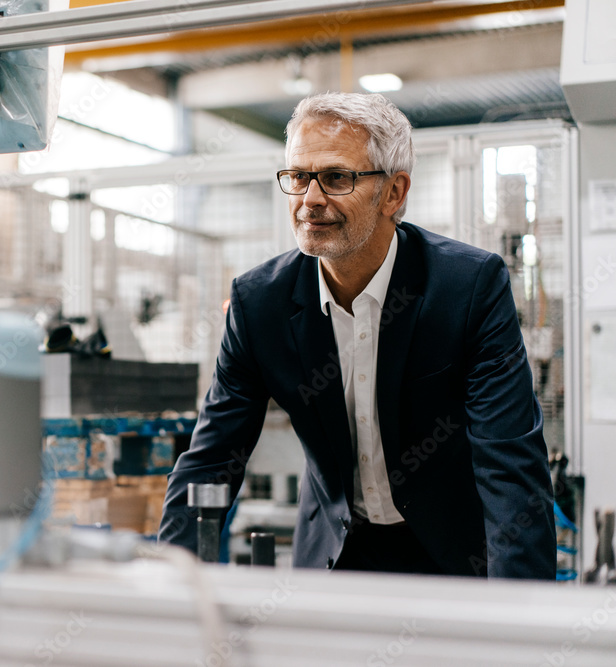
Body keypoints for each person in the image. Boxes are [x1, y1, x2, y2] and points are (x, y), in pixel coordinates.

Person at [159, 92, 556, 579]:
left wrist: (520, 608)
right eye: (298, 177)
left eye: (336, 178)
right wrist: (173, 582)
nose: (310, 200)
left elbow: (510, 466)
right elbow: (212, 459)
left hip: (453, 554)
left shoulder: (468, 289)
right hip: (335, 553)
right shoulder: (258, 302)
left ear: (393, 193)